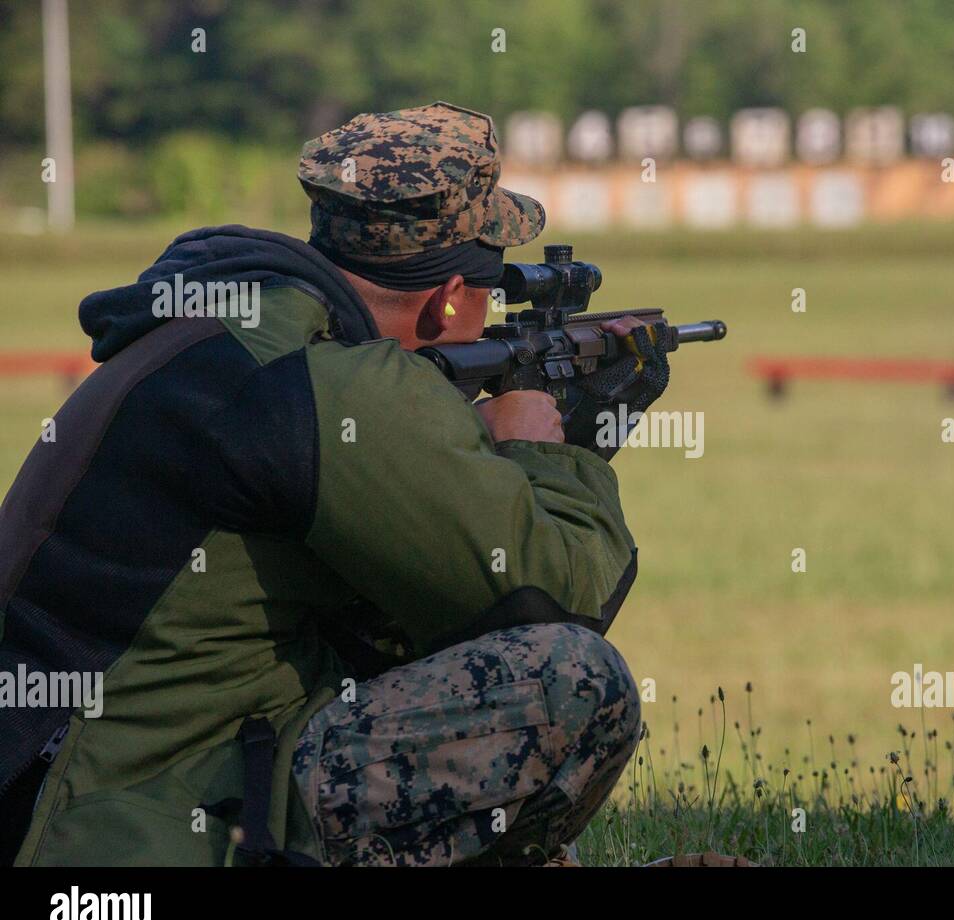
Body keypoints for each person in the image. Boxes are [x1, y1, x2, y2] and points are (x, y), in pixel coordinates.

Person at [0, 102, 667, 867]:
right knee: (573, 683)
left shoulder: (221, 330)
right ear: (451, 296)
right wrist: (559, 448)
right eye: (488, 293)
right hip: (125, 832)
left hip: (71, 791)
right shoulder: (331, 386)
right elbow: (558, 593)